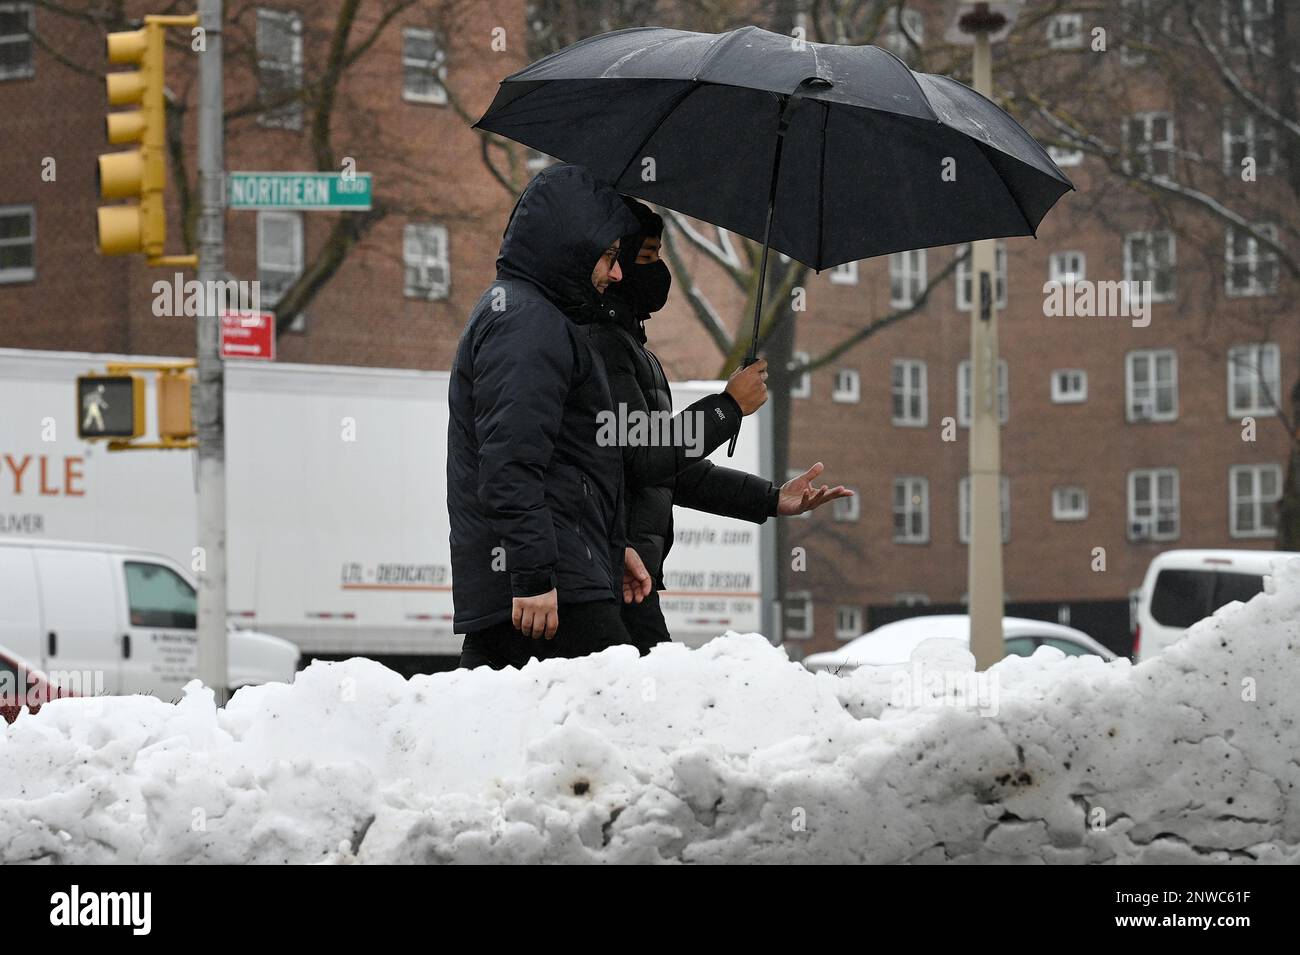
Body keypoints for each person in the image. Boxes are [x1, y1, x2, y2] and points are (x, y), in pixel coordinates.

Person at [590, 198, 854, 653]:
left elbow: (669, 472)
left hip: (631, 579)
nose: (660, 272)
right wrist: (727, 408)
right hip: (614, 577)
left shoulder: (631, 349)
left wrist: (771, 498)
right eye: (648, 258)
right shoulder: (602, 345)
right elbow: (646, 456)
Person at [448, 164, 653, 670]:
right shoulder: (525, 322)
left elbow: (563, 463)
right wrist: (535, 576)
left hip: (557, 578)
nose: (618, 274)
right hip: (551, 592)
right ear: (572, 248)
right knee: (627, 719)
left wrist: (609, 548)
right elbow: (511, 463)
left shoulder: (531, 315)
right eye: (609, 257)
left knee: (496, 732)